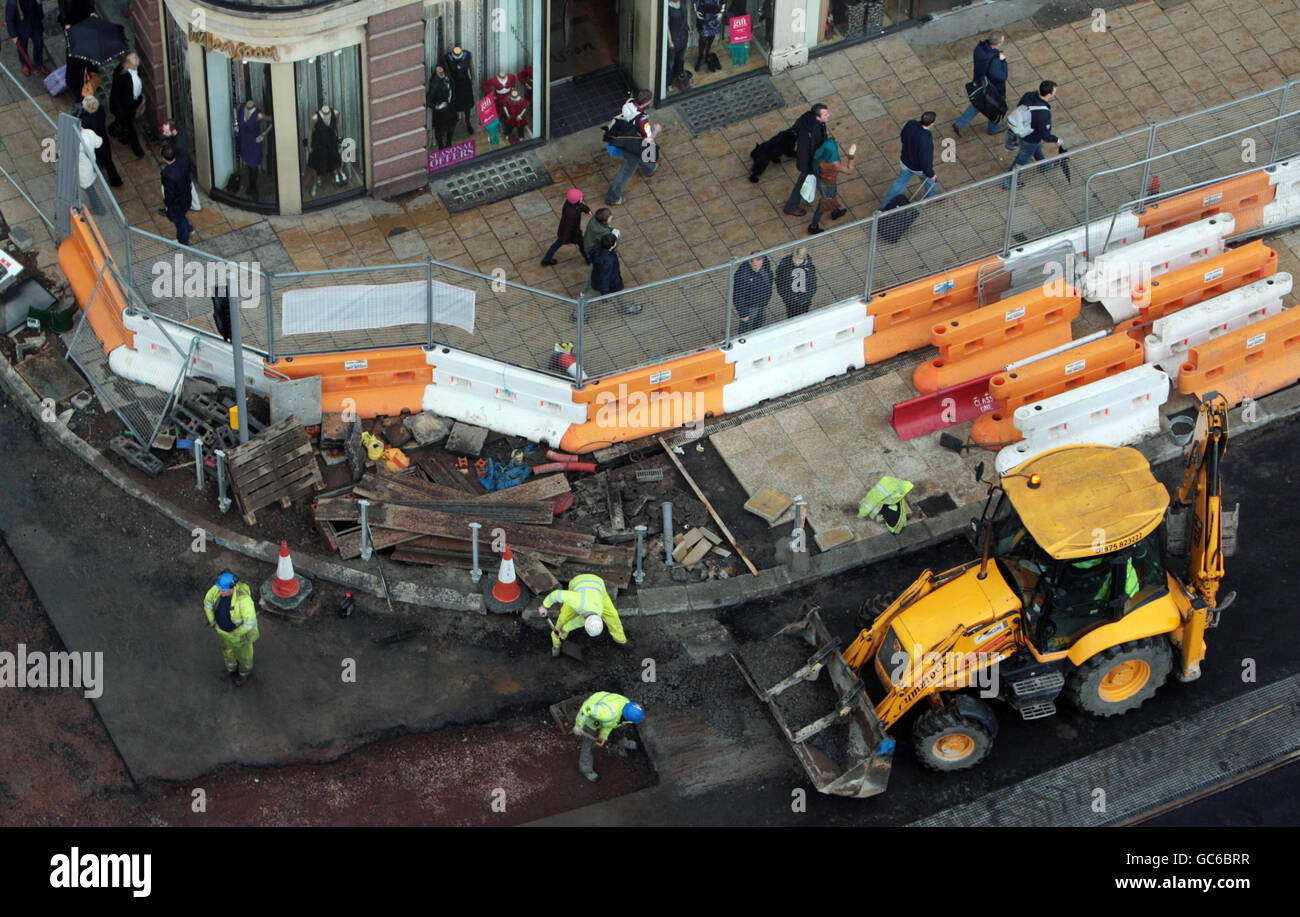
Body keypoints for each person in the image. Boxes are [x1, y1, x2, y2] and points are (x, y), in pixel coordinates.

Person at [540, 573, 628, 657]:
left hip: (598, 586)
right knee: (563, 620)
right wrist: (544, 606)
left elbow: (577, 622)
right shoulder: (576, 600)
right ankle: (557, 644)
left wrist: (563, 630)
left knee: (613, 616)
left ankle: (620, 639)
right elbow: (556, 594)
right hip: (578, 583)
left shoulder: (599, 610)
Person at [604, 89, 661, 206]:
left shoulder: (628, 105)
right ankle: (613, 197)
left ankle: (649, 168)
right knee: (626, 171)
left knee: (647, 154)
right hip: (634, 145)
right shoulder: (642, 119)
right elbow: (648, 139)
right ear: (645, 103)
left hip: (625, 137)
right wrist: (656, 130)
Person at [203, 571, 260, 686]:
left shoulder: (244, 600)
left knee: (244, 656)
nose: (219, 592)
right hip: (222, 632)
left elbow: (250, 623)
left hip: (239, 636)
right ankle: (231, 668)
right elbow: (208, 603)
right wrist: (213, 623)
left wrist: (236, 632)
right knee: (227, 651)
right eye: (219, 589)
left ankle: (244, 673)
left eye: (223, 590)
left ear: (232, 588)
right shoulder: (217, 589)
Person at [572, 691, 644, 782]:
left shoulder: (627, 705)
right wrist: (578, 725)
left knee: (619, 731)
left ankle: (622, 744)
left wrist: (602, 737)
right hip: (591, 714)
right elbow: (586, 709)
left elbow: (609, 725)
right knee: (589, 745)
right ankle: (585, 769)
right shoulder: (608, 714)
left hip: (608, 712)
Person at [1003, 80, 1060, 189]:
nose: (1054, 94)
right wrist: (1057, 140)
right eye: (1054, 92)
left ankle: (1044, 165)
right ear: (1049, 94)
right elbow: (1045, 135)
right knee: (1021, 160)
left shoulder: (1029, 95)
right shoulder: (1044, 114)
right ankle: (1009, 182)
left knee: (1037, 147)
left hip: (1023, 131)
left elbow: (1020, 106)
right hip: (1030, 138)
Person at [952, 31, 1008, 137]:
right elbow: (1002, 76)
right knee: (996, 107)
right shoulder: (995, 59)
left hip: (979, 82)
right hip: (993, 88)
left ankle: (960, 123)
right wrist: (1002, 61)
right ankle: (994, 128)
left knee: (979, 103)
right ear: (999, 44)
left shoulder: (980, 48)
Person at [782, 103, 829, 217]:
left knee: (815, 180)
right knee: (805, 182)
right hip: (809, 162)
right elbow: (814, 150)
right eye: (825, 114)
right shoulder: (814, 132)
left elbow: (796, 128)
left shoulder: (807, 117)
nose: (828, 115)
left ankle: (827, 197)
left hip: (805, 157)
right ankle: (791, 206)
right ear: (818, 116)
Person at [883, 111, 939, 204]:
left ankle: (886, 207)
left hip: (905, 161)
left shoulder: (911, 124)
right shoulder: (926, 140)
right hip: (918, 168)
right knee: (930, 181)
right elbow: (925, 161)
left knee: (899, 184)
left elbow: (903, 136)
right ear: (932, 123)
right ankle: (933, 197)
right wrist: (931, 175)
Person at [581, 233, 641, 316]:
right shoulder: (609, 260)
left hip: (596, 280)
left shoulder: (598, 249)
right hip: (613, 282)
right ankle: (628, 308)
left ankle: (577, 314)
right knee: (620, 293)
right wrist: (604, 294)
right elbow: (606, 277)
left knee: (589, 296)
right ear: (612, 246)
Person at [808, 138, 856, 234]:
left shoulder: (821, 155)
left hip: (823, 180)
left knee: (832, 196)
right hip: (828, 184)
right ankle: (813, 226)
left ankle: (835, 212)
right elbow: (850, 171)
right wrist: (851, 155)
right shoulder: (834, 164)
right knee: (823, 204)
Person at [78, 95, 121, 187]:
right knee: (109, 160)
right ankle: (116, 180)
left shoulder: (86, 120)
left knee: (96, 159)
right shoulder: (100, 111)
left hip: (94, 141)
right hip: (103, 139)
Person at [542, 188, 591, 267]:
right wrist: (567, 239)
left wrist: (586, 210)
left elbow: (579, 206)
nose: (582, 198)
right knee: (582, 244)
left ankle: (546, 259)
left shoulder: (569, 203)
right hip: (572, 233)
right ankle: (588, 259)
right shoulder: (573, 213)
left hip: (564, 231)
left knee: (557, 244)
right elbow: (570, 227)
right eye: (580, 197)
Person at [109, 52, 145, 158]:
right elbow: (116, 94)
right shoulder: (120, 74)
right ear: (128, 64)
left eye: (137, 65)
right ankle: (137, 149)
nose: (136, 67)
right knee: (130, 127)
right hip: (124, 107)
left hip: (133, 103)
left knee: (125, 123)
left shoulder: (136, 69)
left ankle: (121, 133)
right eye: (134, 66)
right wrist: (120, 111)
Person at [160, 142, 193, 246]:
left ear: (164, 158)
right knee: (182, 216)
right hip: (186, 195)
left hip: (177, 203)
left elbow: (169, 193)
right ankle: (189, 229)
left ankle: (183, 242)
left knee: (179, 221)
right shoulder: (183, 162)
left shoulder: (168, 174)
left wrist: (167, 204)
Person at [5, 0, 48, 76]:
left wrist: (39, 4)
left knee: (39, 44)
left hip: (35, 25)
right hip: (21, 28)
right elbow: (9, 19)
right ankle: (24, 63)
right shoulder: (12, 2)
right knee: (22, 47)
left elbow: (40, 13)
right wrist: (13, 35)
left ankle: (38, 63)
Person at [733, 253, 773, 334]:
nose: (757, 268)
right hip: (751, 306)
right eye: (755, 265)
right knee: (746, 328)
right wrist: (743, 314)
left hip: (763, 303)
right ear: (750, 262)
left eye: (760, 265)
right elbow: (738, 296)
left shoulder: (765, 266)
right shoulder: (742, 275)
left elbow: (769, 278)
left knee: (759, 322)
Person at [775, 246, 816, 319]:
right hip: (789, 299)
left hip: (804, 300)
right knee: (791, 316)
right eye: (795, 259)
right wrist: (784, 294)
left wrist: (808, 296)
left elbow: (812, 282)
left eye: (799, 260)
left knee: (803, 315)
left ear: (804, 258)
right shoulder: (785, 263)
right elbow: (778, 278)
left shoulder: (809, 267)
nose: (796, 262)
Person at [443, 45, 475, 138]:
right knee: (455, 106)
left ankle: (468, 123)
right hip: (455, 85)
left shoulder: (467, 55)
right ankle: (454, 125)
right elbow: (447, 72)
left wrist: (473, 79)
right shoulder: (447, 58)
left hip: (466, 84)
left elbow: (471, 68)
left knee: (467, 106)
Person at [76, 123, 103, 213]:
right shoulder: (89, 133)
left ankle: (99, 209)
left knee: (90, 191)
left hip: (81, 172)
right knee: (90, 188)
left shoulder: (73, 142)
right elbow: (99, 142)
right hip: (90, 166)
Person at [427, 64, 455, 149]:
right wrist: (437, 107)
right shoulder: (435, 84)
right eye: (440, 72)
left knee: (451, 127)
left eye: (442, 71)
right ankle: (441, 147)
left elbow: (451, 88)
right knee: (440, 131)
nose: (442, 73)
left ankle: (449, 143)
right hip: (441, 112)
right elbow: (428, 100)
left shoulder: (447, 77)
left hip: (450, 107)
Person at [693, 0, 726, 73]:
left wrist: (722, 11)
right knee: (703, 38)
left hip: (715, 14)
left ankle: (707, 55)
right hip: (703, 14)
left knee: (712, 35)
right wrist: (695, 11)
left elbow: (723, 1)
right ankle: (700, 58)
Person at [667, 0, 690, 89]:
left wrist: (688, 26)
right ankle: (669, 82)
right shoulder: (667, 7)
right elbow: (666, 25)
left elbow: (686, 15)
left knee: (681, 59)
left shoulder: (683, 2)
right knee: (670, 62)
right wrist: (670, 40)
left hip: (684, 35)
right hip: (674, 38)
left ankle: (679, 78)